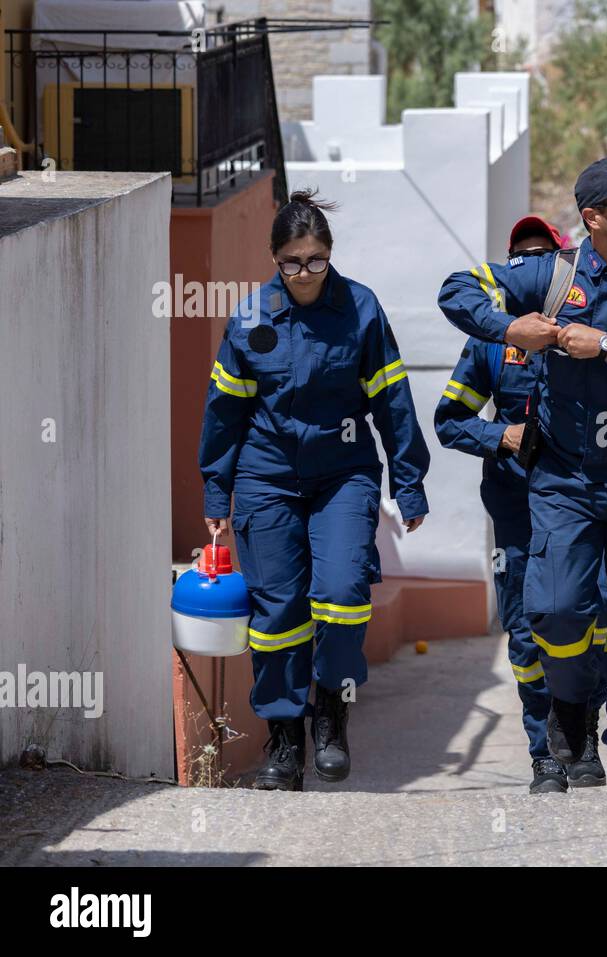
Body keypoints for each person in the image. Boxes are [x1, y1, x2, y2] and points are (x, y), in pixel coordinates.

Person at [437, 156, 607, 792]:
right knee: (557, 611)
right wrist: (510, 327)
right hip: (563, 482)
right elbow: (456, 289)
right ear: (593, 220)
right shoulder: (549, 276)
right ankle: (572, 713)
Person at [199, 189, 431, 791]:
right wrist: (215, 497)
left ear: (330, 254)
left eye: (315, 260)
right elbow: (224, 415)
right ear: (274, 259)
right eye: (292, 262)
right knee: (277, 612)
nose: (304, 273)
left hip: (342, 475)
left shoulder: (360, 309)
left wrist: (409, 486)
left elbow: (392, 402)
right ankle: (282, 744)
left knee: (342, 591)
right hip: (265, 478)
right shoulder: (250, 320)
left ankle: (330, 714)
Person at [434, 214, 607, 795]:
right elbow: (450, 421)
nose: (530, 268)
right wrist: (502, 436)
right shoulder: (488, 342)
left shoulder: (586, 328)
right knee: (529, 632)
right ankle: (545, 756)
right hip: (517, 509)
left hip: (585, 503)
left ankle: (583, 736)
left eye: (542, 256)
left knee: (592, 623)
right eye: (520, 257)